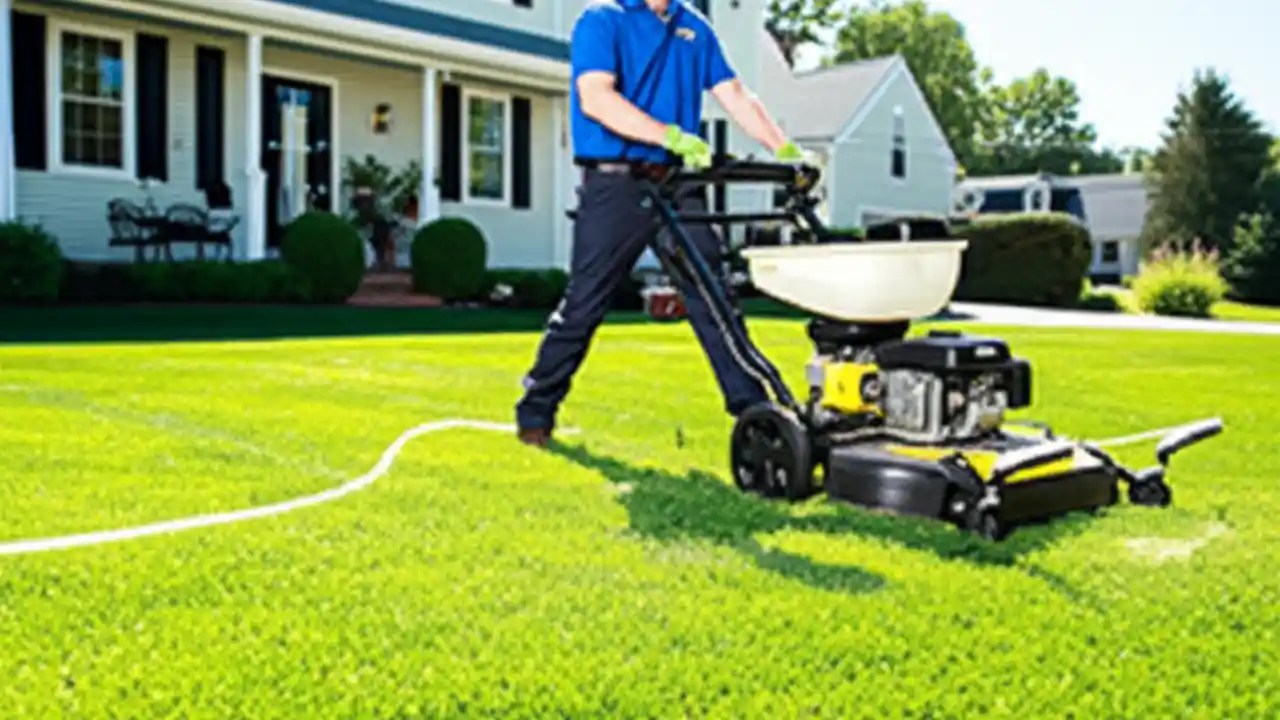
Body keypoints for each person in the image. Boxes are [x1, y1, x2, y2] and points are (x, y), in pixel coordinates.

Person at [514, 0, 806, 447]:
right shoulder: (602, 20)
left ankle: (758, 417)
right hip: (615, 184)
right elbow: (596, 98)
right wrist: (665, 134)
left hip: (678, 183)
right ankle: (536, 411)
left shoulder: (694, 27)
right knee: (584, 305)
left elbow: (735, 96)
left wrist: (783, 148)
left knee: (715, 298)